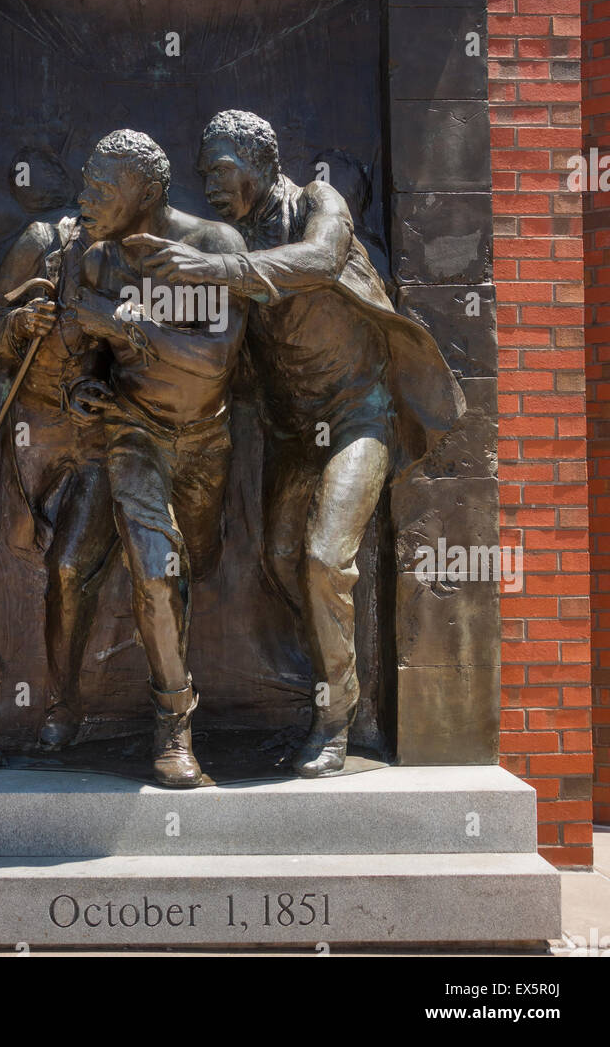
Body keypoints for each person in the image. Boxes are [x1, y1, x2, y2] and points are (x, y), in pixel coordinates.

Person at [135, 110, 465, 778]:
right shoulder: (223, 236)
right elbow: (200, 319)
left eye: (221, 169)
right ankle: (327, 671)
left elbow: (316, 261)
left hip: (359, 415)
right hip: (291, 432)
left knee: (320, 559)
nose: (211, 183)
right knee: (287, 564)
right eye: (204, 174)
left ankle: (335, 721)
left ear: (260, 160)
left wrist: (218, 267)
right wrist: (131, 320)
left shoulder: (317, 200)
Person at [73, 129, 247, 787]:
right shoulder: (96, 262)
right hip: (132, 431)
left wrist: (124, 322)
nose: (86, 199)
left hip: (205, 435)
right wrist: (89, 382)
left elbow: (215, 357)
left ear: (145, 192)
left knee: (192, 564)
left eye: (101, 188)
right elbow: (93, 359)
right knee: (154, 572)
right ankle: (174, 730)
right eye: (85, 183)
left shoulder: (213, 247)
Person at [0, 164, 117, 752]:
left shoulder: (136, 259)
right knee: (17, 548)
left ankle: (64, 705)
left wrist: (105, 389)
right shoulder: (39, 244)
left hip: (98, 436)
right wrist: (16, 326)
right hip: (32, 429)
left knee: (68, 566)